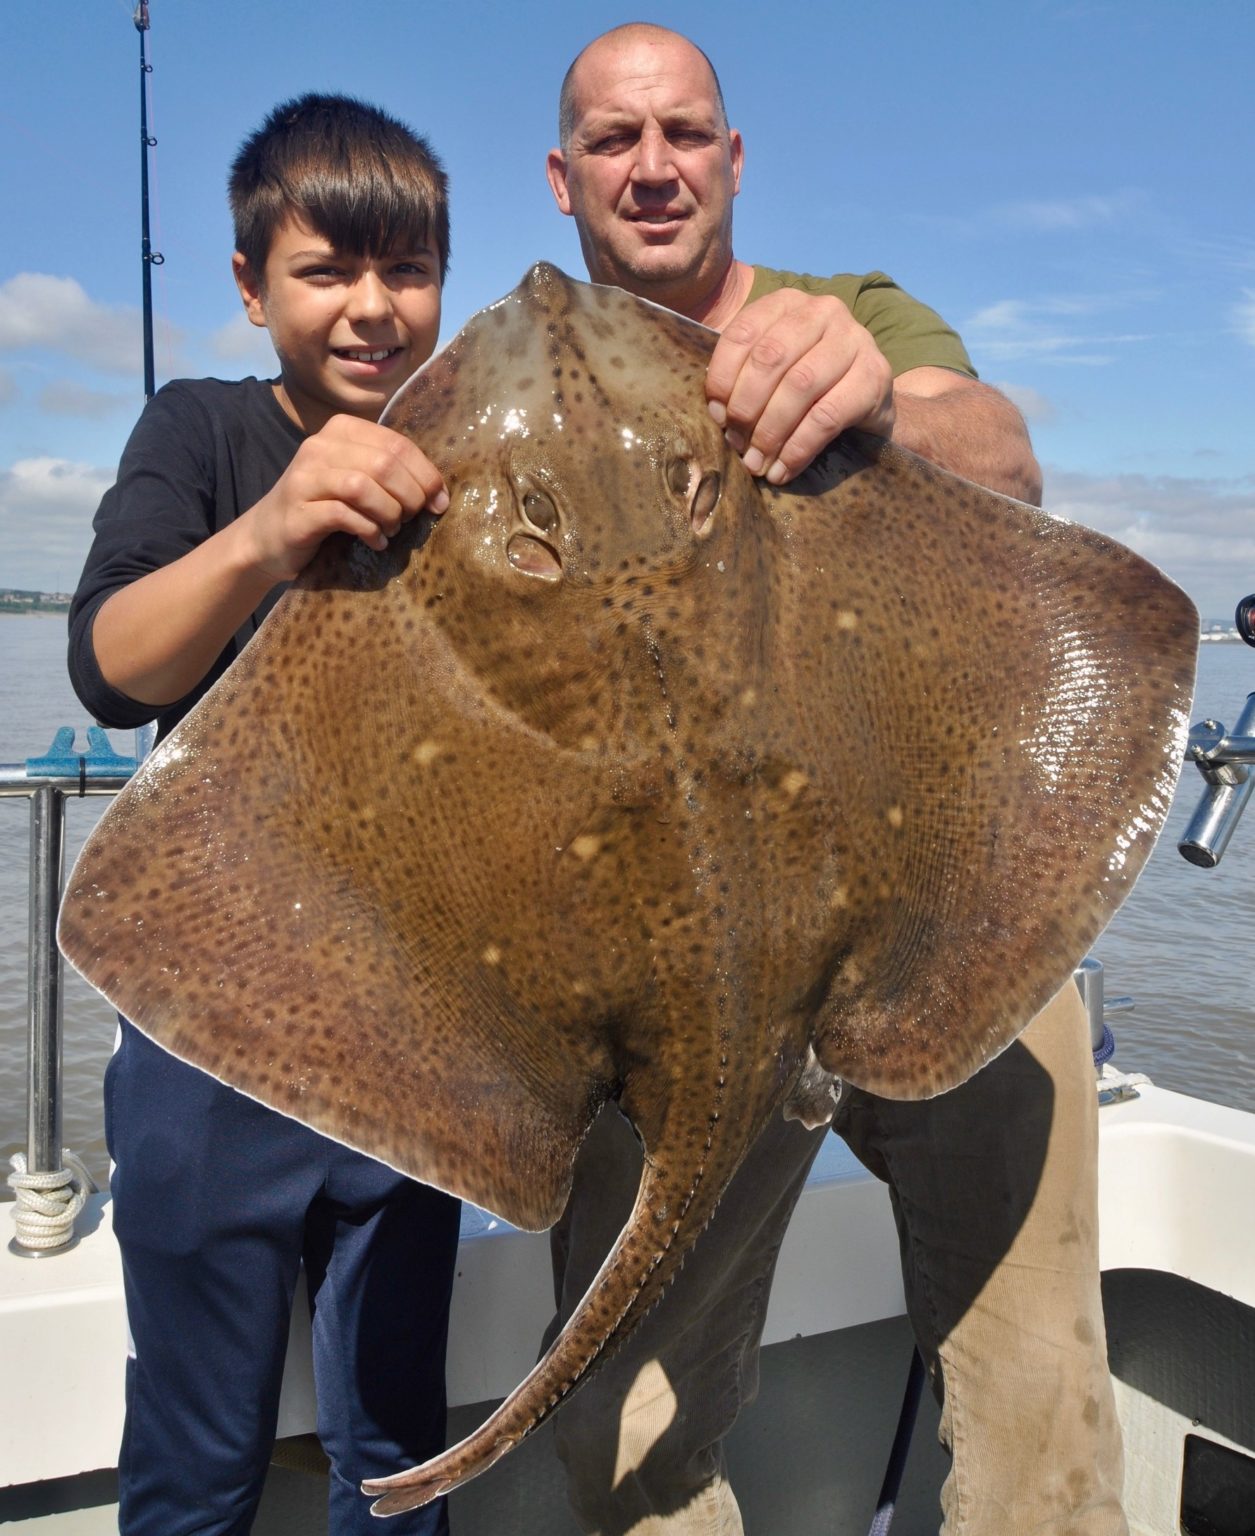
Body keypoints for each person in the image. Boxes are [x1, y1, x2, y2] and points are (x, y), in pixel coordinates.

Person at [542, 24, 1127, 1536]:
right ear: (561, 178)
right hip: (680, 960)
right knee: (619, 1416)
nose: (655, 166)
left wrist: (878, 403)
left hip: (950, 904)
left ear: (736, 160)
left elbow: (998, 455)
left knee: (1040, 1390)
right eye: (616, 140)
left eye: (687, 133)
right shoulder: (528, 385)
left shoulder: (847, 309)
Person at [68, 94, 460, 1536]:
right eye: (327, 271)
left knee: (398, 1459)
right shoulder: (203, 430)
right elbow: (111, 664)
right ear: (251, 288)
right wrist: (271, 530)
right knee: (194, 1469)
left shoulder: (466, 458)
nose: (372, 307)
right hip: (203, 1037)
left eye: (406, 271)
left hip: (414, 1043)